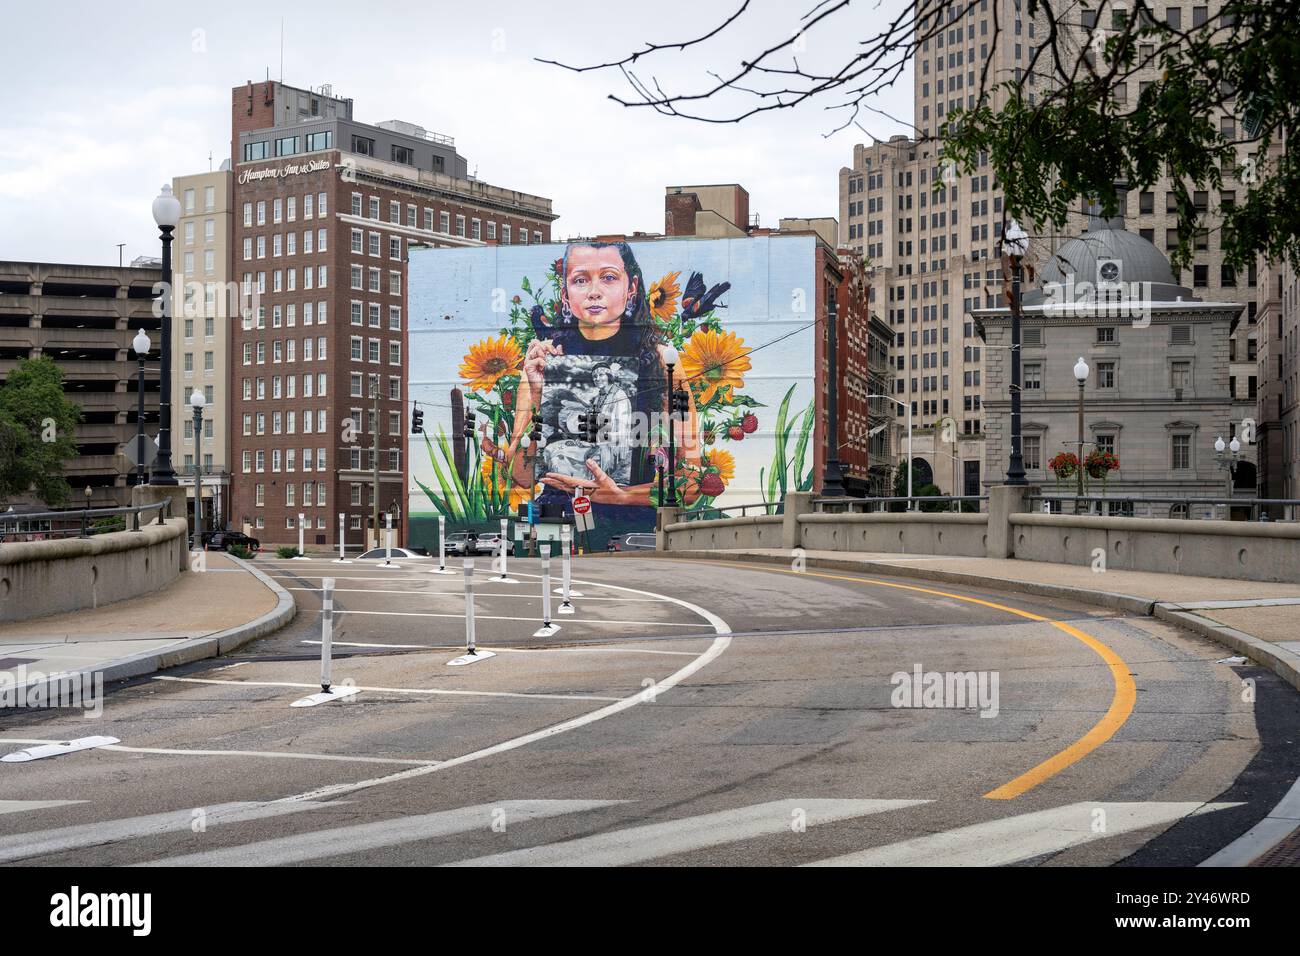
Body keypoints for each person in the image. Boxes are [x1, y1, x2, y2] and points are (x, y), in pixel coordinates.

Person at [500, 241, 701, 509]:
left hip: (631, 531)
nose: (594, 292)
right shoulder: (544, 360)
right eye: (581, 280)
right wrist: (537, 397)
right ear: (565, 293)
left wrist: (620, 495)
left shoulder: (664, 362)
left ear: (631, 288)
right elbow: (520, 477)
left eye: (608, 278)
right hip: (558, 521)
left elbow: (692, 481)